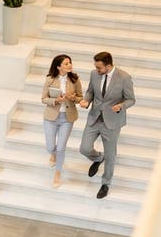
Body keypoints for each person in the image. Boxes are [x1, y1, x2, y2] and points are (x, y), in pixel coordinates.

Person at [79, 51, 135, 199]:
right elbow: (90, 92)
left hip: (112, 122)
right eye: (96, 67)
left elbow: (131, 99)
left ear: (109, 65)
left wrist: (121, 106)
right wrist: (86, 101)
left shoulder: (124, 78)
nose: (96, 70)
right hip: (94, 118)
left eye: (99, 67)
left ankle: (106, 183)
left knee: (111, 155)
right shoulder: (94, 74)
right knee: (84, 148)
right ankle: (98, 158)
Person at [41, 54, 83, 189]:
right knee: (50, 147)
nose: (69, 65)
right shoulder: (50, 79)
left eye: (70, 62)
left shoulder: (75, 80)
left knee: (61, 148)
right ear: (58, 66)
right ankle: (53, 155)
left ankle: (57, 173)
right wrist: (56, 101)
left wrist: (73, 97)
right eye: (66, 63)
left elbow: (80, 97)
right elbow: (43, 99)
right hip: (51, 117)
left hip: (67, 118)